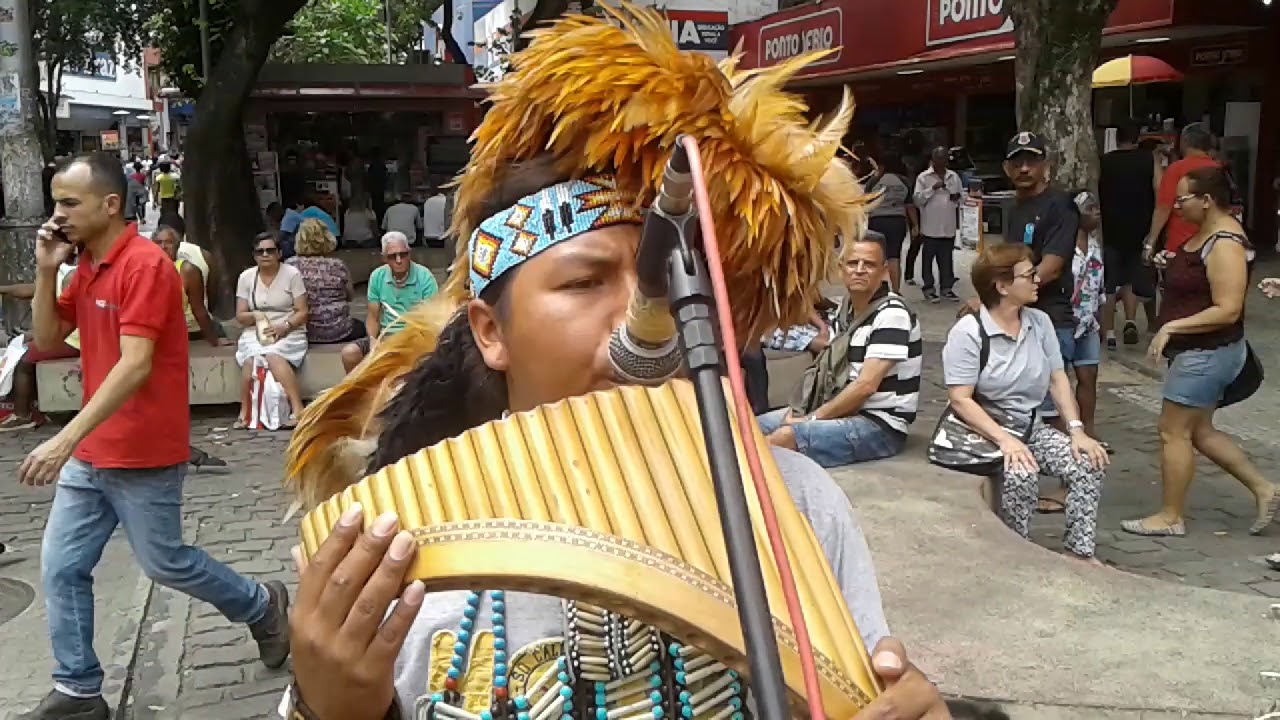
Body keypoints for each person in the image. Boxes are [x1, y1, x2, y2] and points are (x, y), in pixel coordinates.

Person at [280, 9, 947, 719]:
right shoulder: (401, 552)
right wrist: (337, 710)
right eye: (585, 282)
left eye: (665, 285)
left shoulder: (795, 504)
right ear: (490, 331)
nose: (644, 322)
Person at [15, 153, 289, 720]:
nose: (57, 215)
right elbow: (44, 339)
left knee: (166, 563)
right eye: (56, 203)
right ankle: (78, 690)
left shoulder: (144, 265)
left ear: (111, 205)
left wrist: (63, 439)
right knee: (61, 566)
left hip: (140, 449)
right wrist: (46, 269)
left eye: (69, 202)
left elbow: (135, 364)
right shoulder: (85, 264)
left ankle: (262, 606)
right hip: (91, 453)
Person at [1122, 166, 1278, 537]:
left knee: (1172, 432)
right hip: (1199, 351)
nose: (1176, 207)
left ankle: (1171, 516)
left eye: (1182, 199)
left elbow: (1227, 308)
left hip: (1206, 353)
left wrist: (1172, 327)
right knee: (1201, 432)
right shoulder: (1204, 234)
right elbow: (1195, 280)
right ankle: (1264, 488)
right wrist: (1169, 265)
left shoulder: (1225, 242)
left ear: (1207, 201)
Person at [943, 243, 1109, 562]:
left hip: (1029, 426)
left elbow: (1057, 378)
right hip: (986, 429)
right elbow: (961, 400)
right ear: (1002, 286)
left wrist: (1076, 430)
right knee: (1022, 473)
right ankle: (1016, 554)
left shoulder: (1039, 322)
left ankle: (1080, 553)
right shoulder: (969, 331)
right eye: (1028, 274)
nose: (1037, 280)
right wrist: (1005, 440)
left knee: (1088, 462)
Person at [757, 234, 921, 467]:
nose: (860, 270)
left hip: (880, 426)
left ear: (884, 270)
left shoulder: (892, 314)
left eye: (870, 264)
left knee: (783, 439)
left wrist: (810, 420)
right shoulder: (845, 309)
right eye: (853, 263)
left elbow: (865, 386)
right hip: (840, 411)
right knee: (748, 427)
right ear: (841, 268)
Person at [1001, 132, 1081, 429]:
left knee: (1054, 410)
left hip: (1051, 320)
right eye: (1017, 162)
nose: (1024, 169)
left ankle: (1073, 470)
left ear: (1044, 164)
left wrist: (1002, 294)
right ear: (1006, 168)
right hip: (1016, 321)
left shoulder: (1060, 205)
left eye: (1031, 162)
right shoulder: (1014, 207)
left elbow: (1052, 266)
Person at [233, 232, 309, 429]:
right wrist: (257, 316)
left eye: (270, 250)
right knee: (251, 359)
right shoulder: (246, 277)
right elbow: (240, 316)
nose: (265, 255)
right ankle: (245, 411)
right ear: (254, 255)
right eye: (260, 251)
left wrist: (284, 327)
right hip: (255, 330)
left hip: (289, 329)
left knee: (274, 355)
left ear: (279, 253)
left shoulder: (292, 274)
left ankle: (297, 407)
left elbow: (302, 311)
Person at [0, 259, 81, 432]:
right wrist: (4, 290)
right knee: (20, 347)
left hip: (73, 339)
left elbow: (64, 315)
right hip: (65, 334)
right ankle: (34, 405)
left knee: (24, 358)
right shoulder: (59, 270)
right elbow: (32, 289)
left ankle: (23, 416)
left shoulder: (73, 275)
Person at [1099, 122, 1160, 349]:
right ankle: (1131, 320)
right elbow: (1159, 190)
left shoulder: (1104, 161)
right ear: (1138, 138)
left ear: (1116, 139)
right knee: (1131, 280)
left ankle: (1110, 333)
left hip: (1111, 228)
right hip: (1140, 227)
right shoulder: (1148, 159)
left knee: (1109, 284)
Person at [339, 231, 437, 372]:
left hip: (414, 336)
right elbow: (373, 316)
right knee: (349, 354)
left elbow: (430, 319)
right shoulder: (377, 276)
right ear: (384, 258)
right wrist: (373, 340)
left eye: (403, 254)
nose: (399, 260)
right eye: (392, 256)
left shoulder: (424, 276)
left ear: (409, 253)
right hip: (385, 336)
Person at [1145, 122, 1219, 261]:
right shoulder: (1218, 169)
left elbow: (1163, 208)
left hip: (1180, 244)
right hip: (1214, 243)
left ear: (1184, 142)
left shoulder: (1176, 169)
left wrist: (1150, 243)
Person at [286, 218, 366, 344]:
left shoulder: (290, 265)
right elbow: (350, 296)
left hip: (306, 331)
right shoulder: (337, 265)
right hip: (339, 330)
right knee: (364, 326)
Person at [152, 225, 227, 346]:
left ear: (177, 247)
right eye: (158, 242)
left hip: (189, 330)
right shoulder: (147, 269)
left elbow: (199, 310)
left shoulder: (187, 270)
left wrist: (215, 341)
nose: (163, 247)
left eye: (169, 242)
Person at [911, 146, 962, 303]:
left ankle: (946, 288)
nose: (941, 162)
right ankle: (929, 288)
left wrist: (957, 198)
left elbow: (962, 198)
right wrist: (932, 188)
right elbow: (917, 200)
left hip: (948, 225)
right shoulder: (923, 178)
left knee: (946, 259)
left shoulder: (953, 177)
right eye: (938, 158)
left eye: (944, 158)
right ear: (933, 160)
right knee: (928, 259)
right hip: (930, 227)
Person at [866, 155, 916, 293]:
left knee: (877, 257)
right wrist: (916, 225)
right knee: (894, 257)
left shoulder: (874, 181)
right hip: (897, 221)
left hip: (877, 221)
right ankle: (895, 291)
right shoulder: (904, 181)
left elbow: (865, 203)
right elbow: (909, 206)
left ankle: (877, 289)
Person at [152, 160, 181, 226]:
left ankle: (165, 226)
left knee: (164, 215)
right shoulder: (175, 176)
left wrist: (154, 201)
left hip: (163, 199)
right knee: (174, 214)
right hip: (173, 198)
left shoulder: (159, 178)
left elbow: (156, 190)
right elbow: (179, 188)